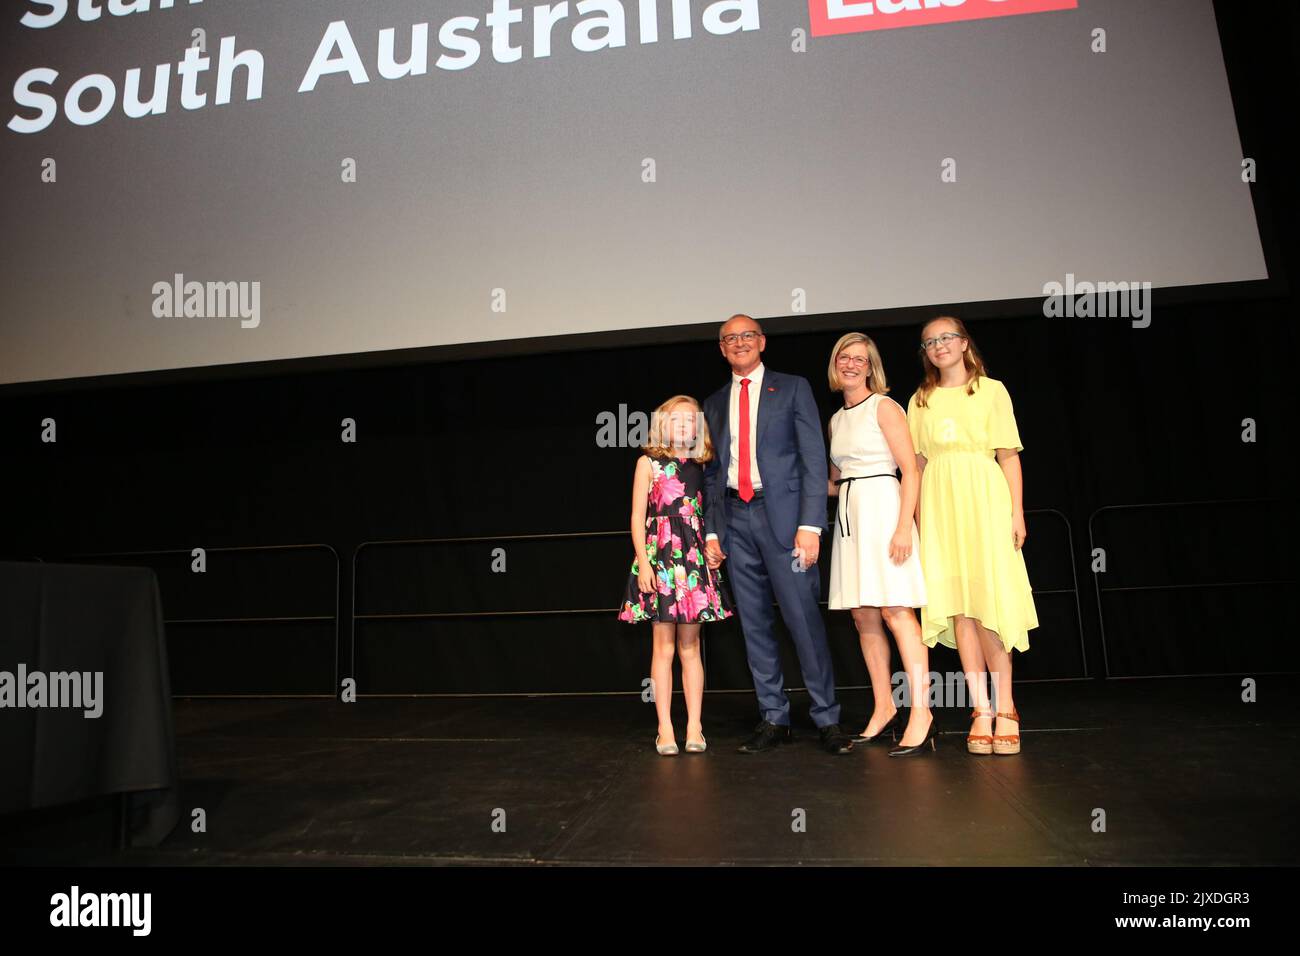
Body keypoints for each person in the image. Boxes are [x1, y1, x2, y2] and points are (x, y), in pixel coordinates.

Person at [702, 314, 854, 755]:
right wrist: (713, 531)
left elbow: (812, 458)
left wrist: (811, 525)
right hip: (735, 518)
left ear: (762, 342)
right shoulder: (713, 402)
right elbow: (712, 475)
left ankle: (827, 718)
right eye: (730, 339)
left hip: (785, 521)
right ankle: (774, 716)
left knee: (803, 620)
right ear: (722, 348)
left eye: (747, 336)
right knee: (754, 625)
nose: (739, 343)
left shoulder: (792, 387)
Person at [907, 316, 1038, 755]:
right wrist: (921, 523)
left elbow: (1008, 456)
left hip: (985, 501)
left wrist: (1016, 512)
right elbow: (919, 467)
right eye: (930, 342)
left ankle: (1007, 708)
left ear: (964, 343)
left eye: (946, 338)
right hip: (942, 508)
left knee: (991, 605)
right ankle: (980, 708)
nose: (938, 345)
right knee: (960, 609)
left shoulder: (991, 390)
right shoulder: (920, 399)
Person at [825, 333, 935, 757]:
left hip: (886, 510)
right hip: (851, 517)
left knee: (897, 610)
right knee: (862, 615)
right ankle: (885, 705)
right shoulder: (835, 420)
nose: (851, 364)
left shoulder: (885, 407)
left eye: (859, 359)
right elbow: (834, 483)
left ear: (871, 367)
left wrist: (904, 526)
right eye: (843, 358)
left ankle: (922, 712)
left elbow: (910, 470)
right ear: (835, 366)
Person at [619, 394, 734, 755]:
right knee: (663, 646)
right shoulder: (648, 463)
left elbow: (713, 511)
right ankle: (665, 727)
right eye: (676, 419)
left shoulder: (704, 465)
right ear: (662, 425)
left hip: (693, 559)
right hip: (661, 557)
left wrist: (712, 551)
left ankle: (695, 725)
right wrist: (644, 562)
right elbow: (638, 517)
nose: (684, 425)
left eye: (691, 420)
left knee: (690, 647)